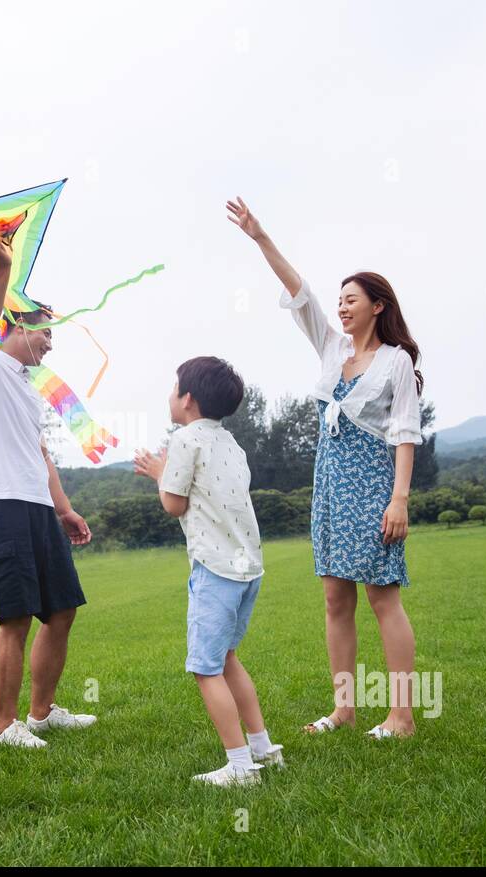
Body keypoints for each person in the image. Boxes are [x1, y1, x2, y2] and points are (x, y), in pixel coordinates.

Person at [227, 196, 424, 740]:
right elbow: (300, 293)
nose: (341, 307)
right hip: (330, 487)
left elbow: (406, 434)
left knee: (384, 597)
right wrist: (260, 236)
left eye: (352, 300)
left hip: (375, 486)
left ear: (377, 306)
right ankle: (344, 709)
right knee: (336, 598)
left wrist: (399, 498)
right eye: (339, 300)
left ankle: (402, 716)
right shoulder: (330, 348)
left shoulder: (396, 362)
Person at [0, 229, 97, 749]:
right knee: (14, 618)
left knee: (61, 610)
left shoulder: (27, 387)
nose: (50, 342)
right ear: (17, 323)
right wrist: (0, 271)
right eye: (46, 332)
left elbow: (39, 454)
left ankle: (41, 713)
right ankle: (5, 726)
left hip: (38, 509)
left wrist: (63, 508)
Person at [134, 357, 284, 786]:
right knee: (228, 657)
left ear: (188, 400)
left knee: (206, 667)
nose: (170, 394)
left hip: (215, 569)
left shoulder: (185, 439)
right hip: (248, 568)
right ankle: (262, 748)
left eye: (173, 386)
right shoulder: (231, 444)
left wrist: (160, 474)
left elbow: (173, 503)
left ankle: (239, 766)